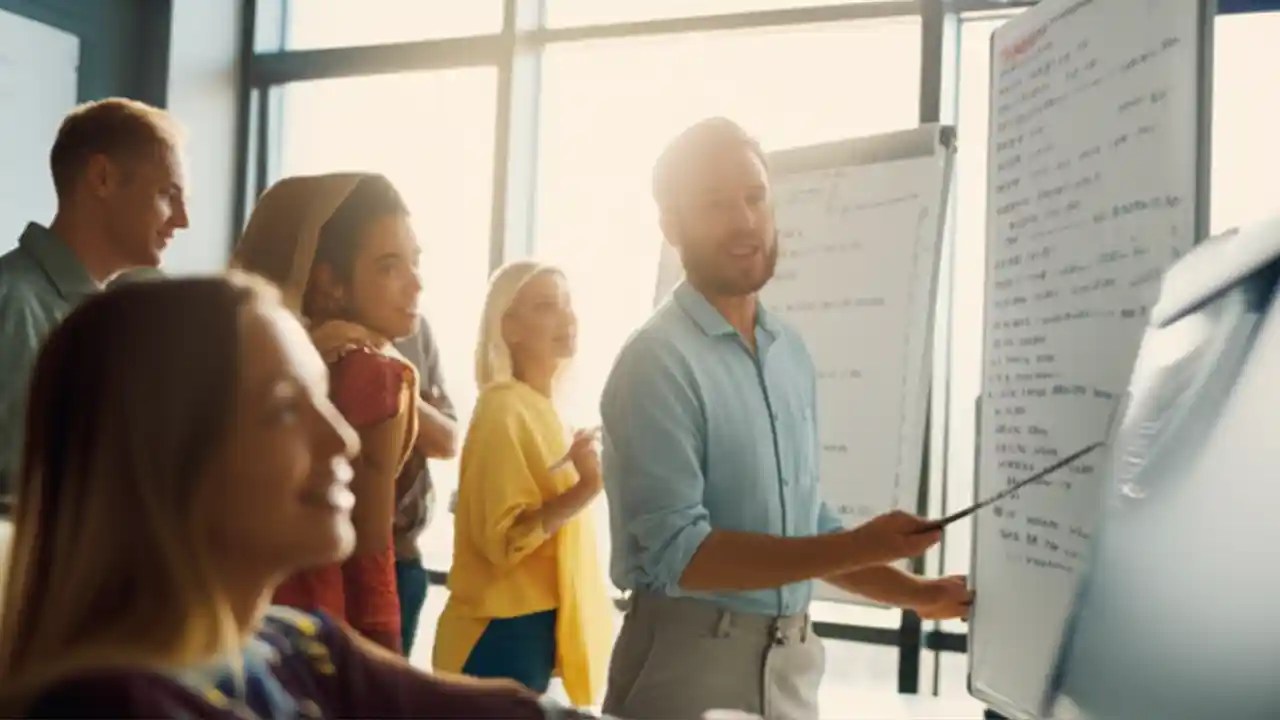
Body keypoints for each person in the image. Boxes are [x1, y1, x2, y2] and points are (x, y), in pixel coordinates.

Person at [0, 274, 583, 718]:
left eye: (323, 400)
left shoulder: (294, 646)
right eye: (284, 409)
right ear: (161, 454)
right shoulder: (110, 707)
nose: (344, 439)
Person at [600, 118, 972, 720]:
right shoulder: (655, 361)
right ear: (673, 226)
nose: (744, 219)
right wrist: (857, 546)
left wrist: (917, 594)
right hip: (688, 667)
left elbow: (808, 527)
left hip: (793, 666)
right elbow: (684, 556)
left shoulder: (788, 351)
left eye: (754, 197)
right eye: (716, 203)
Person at [233, 173, 421, 654]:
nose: (415, 284)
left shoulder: (237, 369)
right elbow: (371, 553)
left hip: (236, 614)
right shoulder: (374, 374)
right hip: (317, 626)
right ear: (328, 283)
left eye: (414, 262)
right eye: (389, 267)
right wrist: (384, 653)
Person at [434, 261, 611, 707]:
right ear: (508, 327)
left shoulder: (545, 411)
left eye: (567, 305)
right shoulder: (502, 410)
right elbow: (504, 538)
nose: (566, 317)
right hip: (496, 632)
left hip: (527, 629)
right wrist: (583, 489)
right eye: (547, 306)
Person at [0, 98, 188, 511]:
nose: (183, 219)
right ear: (101, 178)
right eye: (166, 194)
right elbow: (26, 493)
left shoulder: (113, 317)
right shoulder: (16, 305)